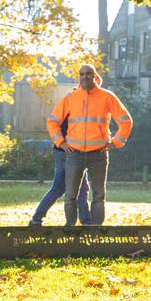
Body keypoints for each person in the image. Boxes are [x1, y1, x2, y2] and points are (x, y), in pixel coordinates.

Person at [47, 65, 133, 226]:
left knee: (99, 196)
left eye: (88, 74)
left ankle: (96, 232)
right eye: (82, 74)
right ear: (78, 76)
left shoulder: (107, 97)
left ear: (95, 76)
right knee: (70, 196)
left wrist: (116, 142)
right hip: (74, 154)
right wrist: (61, 142)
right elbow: (52, 121)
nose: (85, 77)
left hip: (98, 155)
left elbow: (126, 121)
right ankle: (70, 230)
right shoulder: (70, 97)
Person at [29, 96, 93, 225]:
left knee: (59, 188)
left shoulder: (68, 103)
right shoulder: (78, 107)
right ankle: (86, 223)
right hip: (71, 153)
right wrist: (63, 143)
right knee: (80, 188)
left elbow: (54, 123)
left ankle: (36, 219)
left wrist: (61, 143)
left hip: (62, 151)